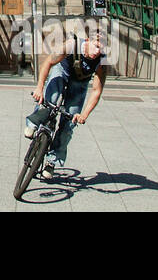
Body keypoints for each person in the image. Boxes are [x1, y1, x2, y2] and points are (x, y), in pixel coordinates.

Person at [24, 29, 107, 180]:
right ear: (88, 41)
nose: (97, 51)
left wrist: (83, 115)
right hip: (62, 70)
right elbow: (48, 62)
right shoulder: (72, 46)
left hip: (80, 81)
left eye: (101, 48)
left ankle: (51, 161)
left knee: (69, 123)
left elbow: (96, 91)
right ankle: (33, 123)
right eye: (96, 45)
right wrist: (39, 88)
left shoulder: (101, 61)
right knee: (51, 99)